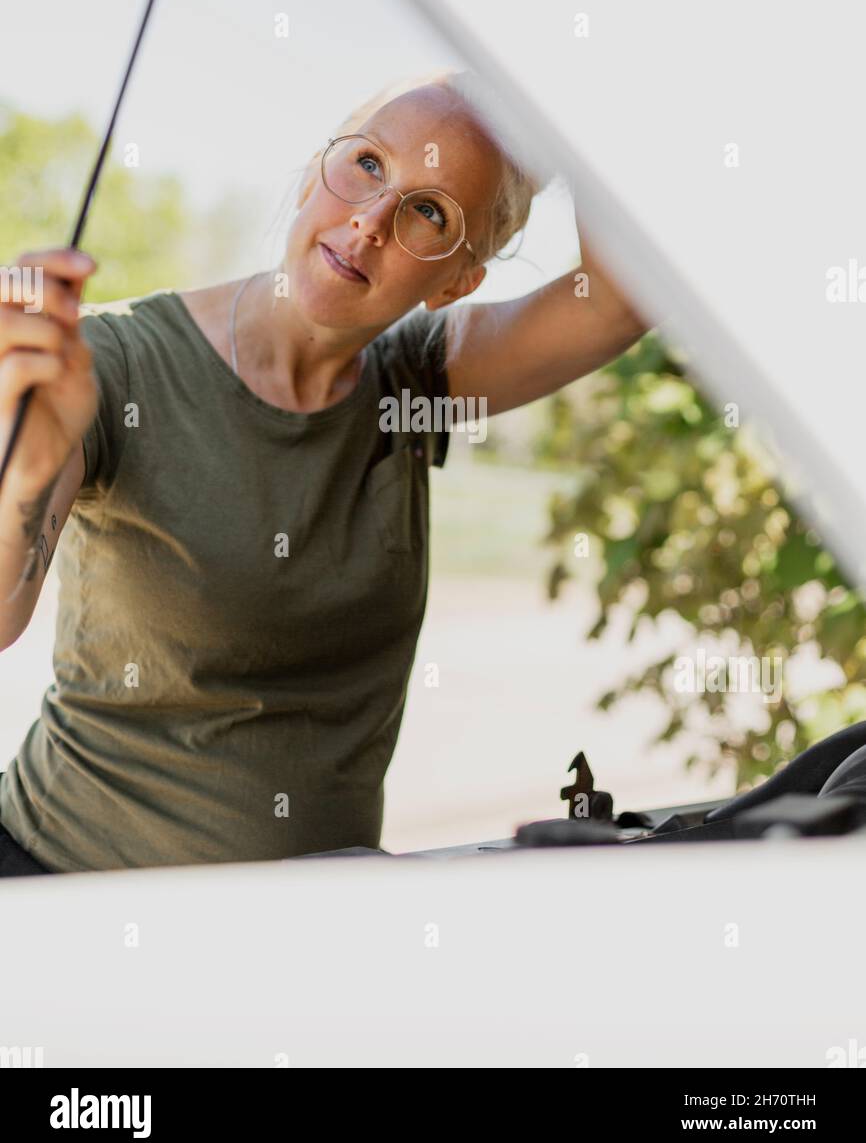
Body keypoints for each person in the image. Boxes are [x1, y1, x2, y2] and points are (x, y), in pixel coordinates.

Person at [0, 70, 646, 875]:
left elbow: (622, 295)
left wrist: (561, 70)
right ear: (316, 171)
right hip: (60, 888)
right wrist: (26, 455)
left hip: (302, 937)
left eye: (430, 212)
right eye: (369, 164)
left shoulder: (415, 384)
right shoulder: (116, 362)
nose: (371, 221)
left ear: (457, 281)